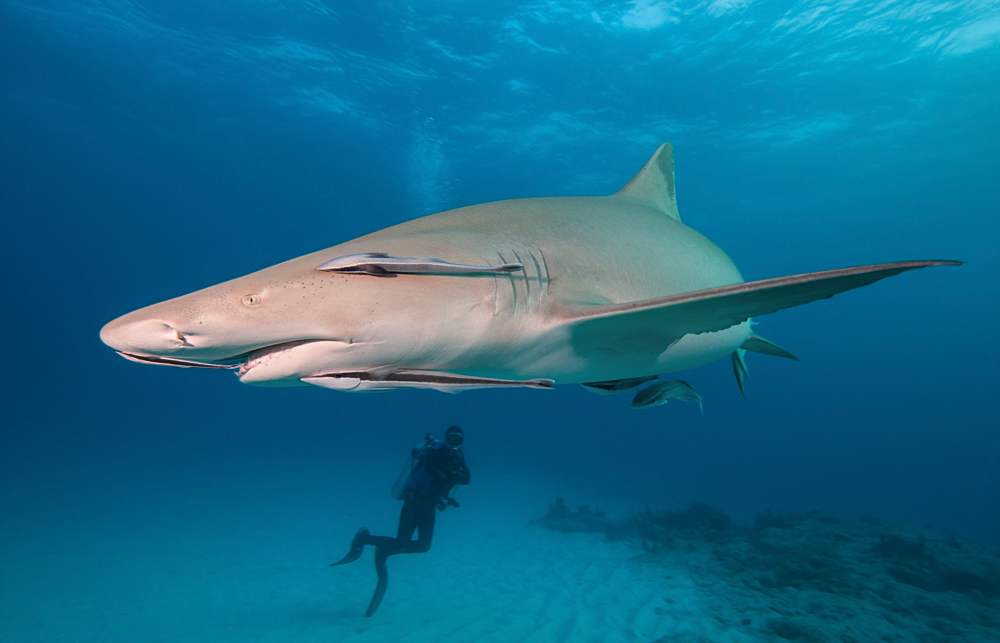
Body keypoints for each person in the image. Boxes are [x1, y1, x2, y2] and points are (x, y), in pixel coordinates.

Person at [331, 425, 470, 616]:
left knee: (423, 546)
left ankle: (385, 549)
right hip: (413, 504)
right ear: (446, 439)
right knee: (402, 543)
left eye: (458, 440)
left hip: (428, 508)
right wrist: (451, 469)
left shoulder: (458, 457)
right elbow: (433, 470)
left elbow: (466, 479)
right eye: (452, 439)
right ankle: (365, 538)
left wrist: (456, 468)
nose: (454, 443)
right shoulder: (434, 453)